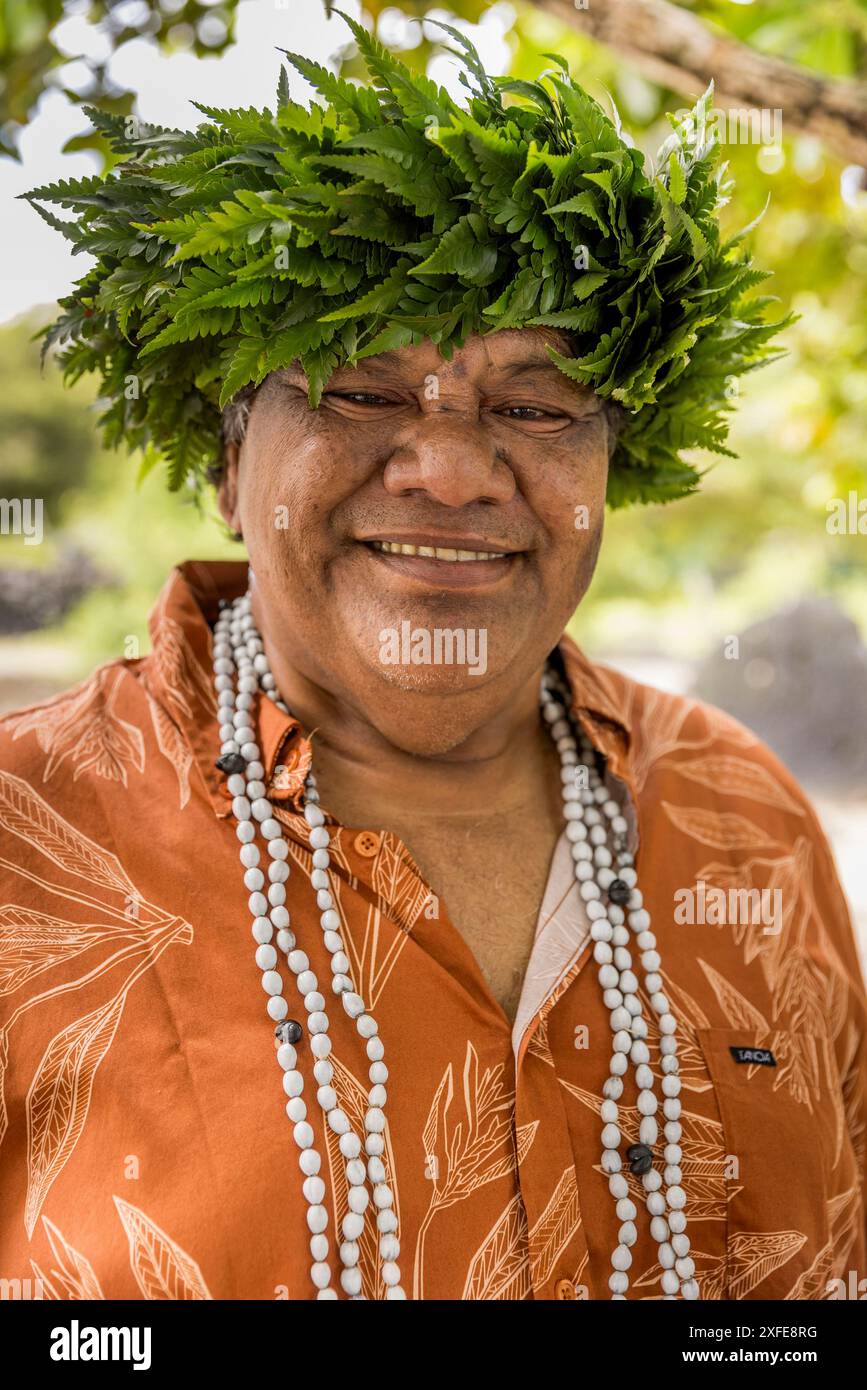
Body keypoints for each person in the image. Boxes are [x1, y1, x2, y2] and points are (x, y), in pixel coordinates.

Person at [0, 17, 864, 1302]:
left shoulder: (746, 817)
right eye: (357, 389)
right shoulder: (26, 835)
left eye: (533, 404)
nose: (453, 468)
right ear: (232, 466)